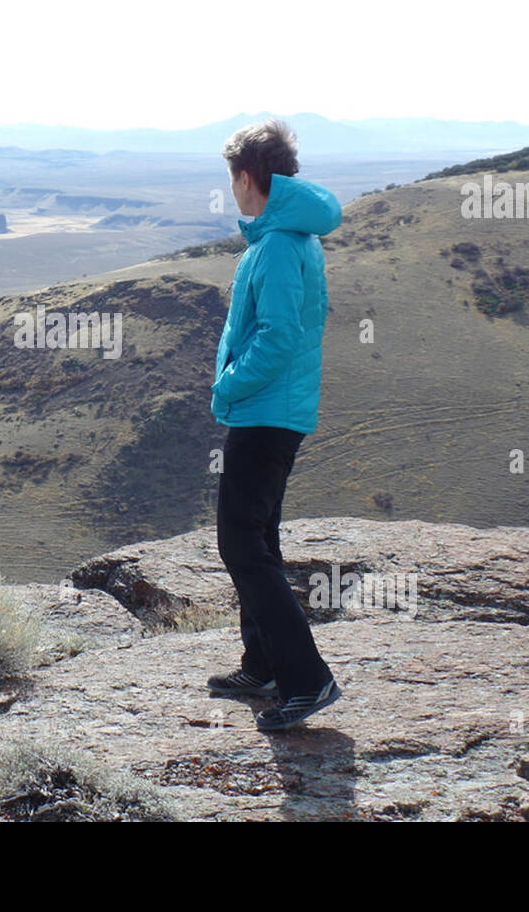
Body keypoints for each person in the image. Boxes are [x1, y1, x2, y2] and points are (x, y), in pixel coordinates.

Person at [207, 118, 343, 732]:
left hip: (266, 413)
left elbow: (279, 336)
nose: (231, 190)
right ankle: (262, 665)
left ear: (246, 177)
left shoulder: (284, 244)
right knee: (258, 540)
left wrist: (228, 385)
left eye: (232, 179)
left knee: (240, 543)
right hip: (272, 411)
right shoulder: (283, 237)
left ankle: (306, 679)